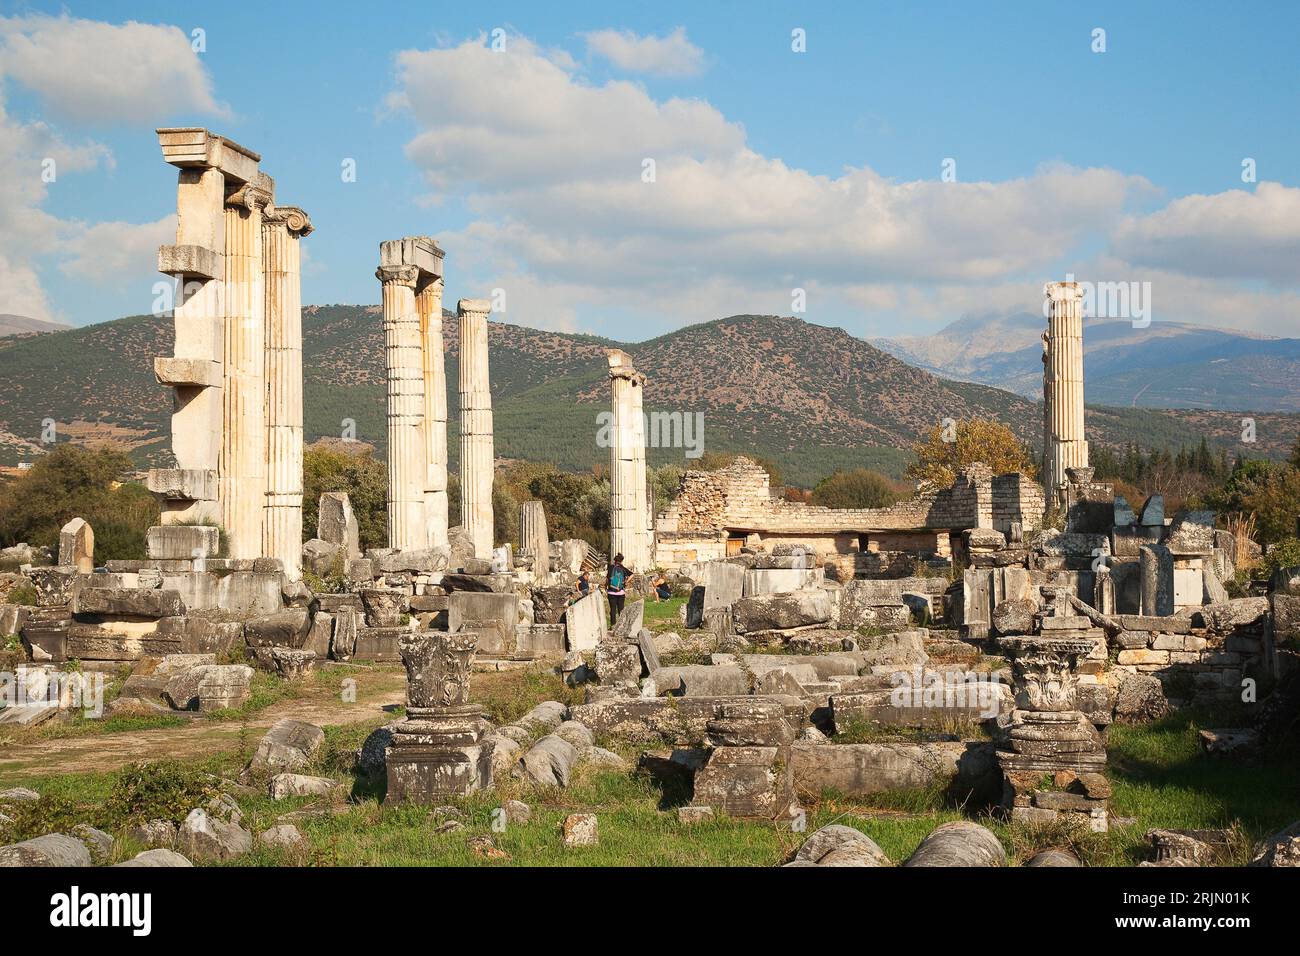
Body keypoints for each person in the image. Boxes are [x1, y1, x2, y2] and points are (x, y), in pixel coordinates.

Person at [606, 553, 630, 627]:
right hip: (621, 592)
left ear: (614, 561)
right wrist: (626, 582)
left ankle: (613, 625)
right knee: (621, 610)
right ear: (621, 561)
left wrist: (606, 587)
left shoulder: (610, 568)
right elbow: (632, 574)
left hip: (611, 592)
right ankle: (621, 626)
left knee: (613, 610)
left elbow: (607, 579)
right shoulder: (623, 568)